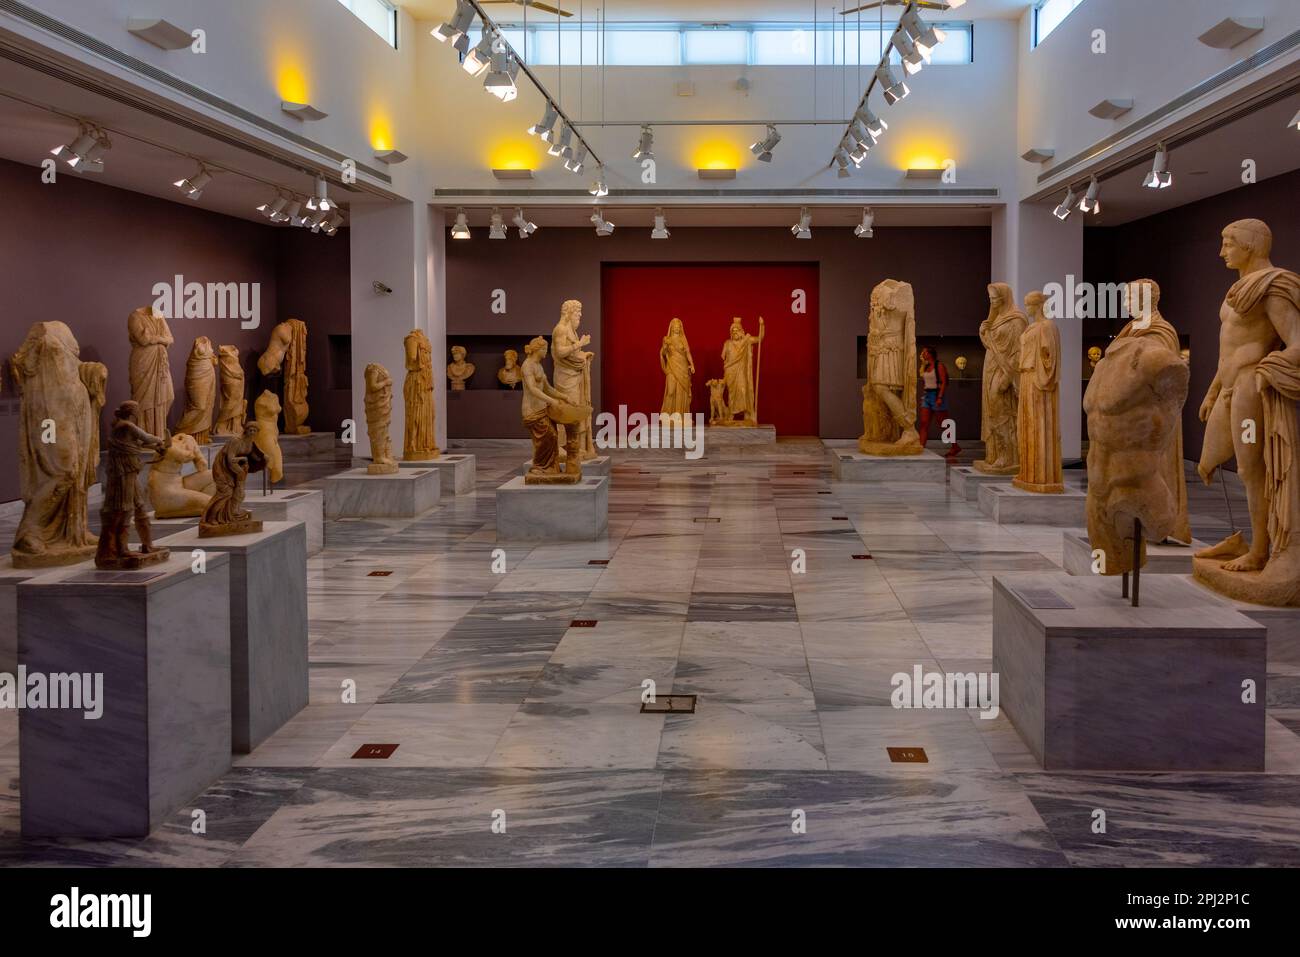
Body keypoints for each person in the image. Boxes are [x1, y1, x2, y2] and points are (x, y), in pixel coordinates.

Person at [917, 346, 958, 459]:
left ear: (930, 354)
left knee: (943, 423)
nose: (923, 354)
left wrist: (939, 397)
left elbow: (944, 382)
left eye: (924, 352)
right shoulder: (926, 367)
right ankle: (921, 448)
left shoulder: (939, 365)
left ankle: (955, 446)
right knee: (924, 423)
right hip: (927, 396)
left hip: (936, 395)